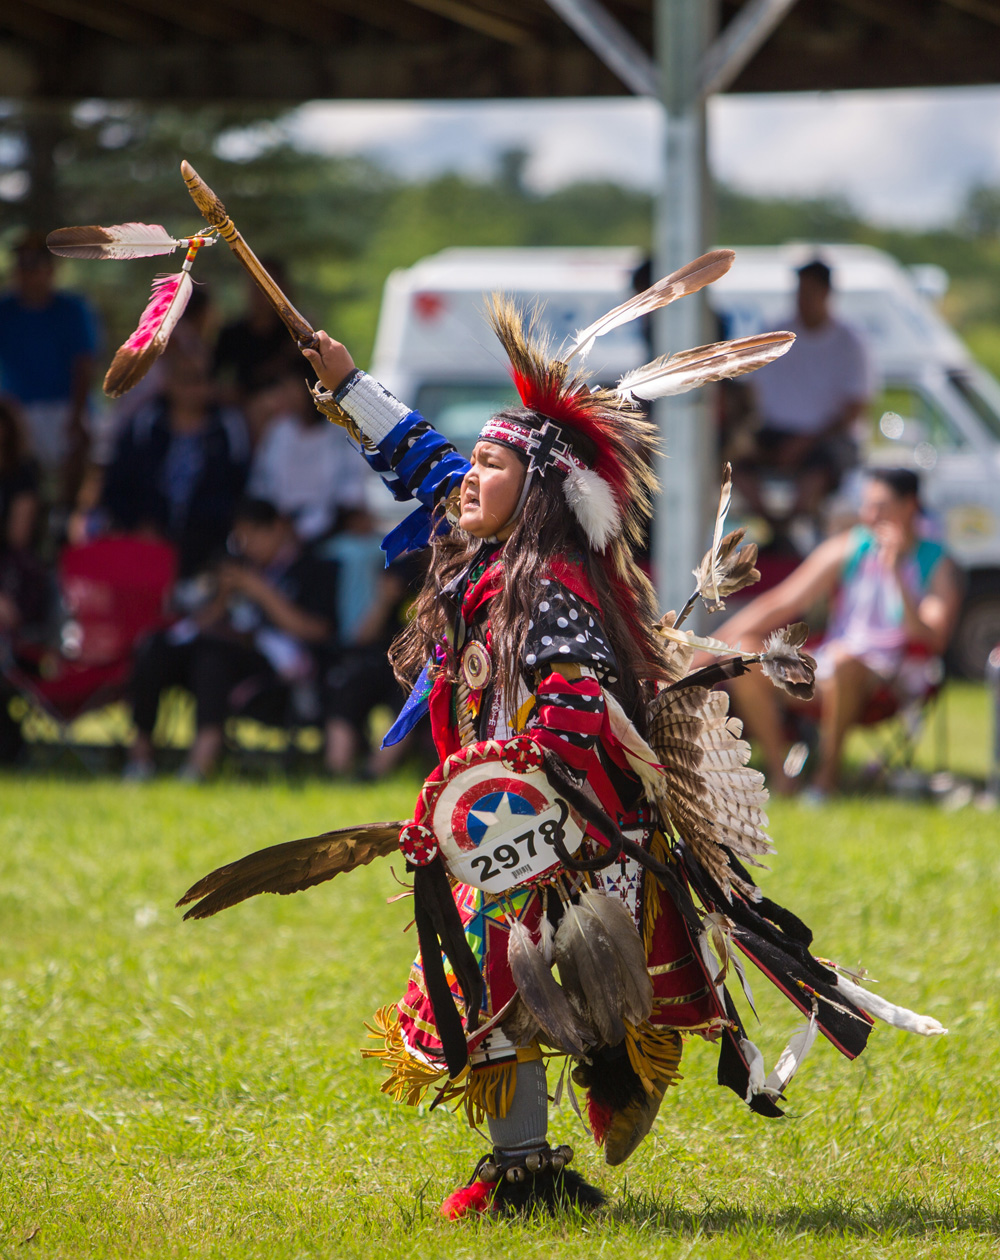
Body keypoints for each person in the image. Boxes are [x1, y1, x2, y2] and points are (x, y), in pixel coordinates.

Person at [180, 273, 944, 1220]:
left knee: (508, 986)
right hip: (516, 821)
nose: (468, 478)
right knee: (510, 989)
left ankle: (547, 1150)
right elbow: (428, 465)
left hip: (561, 833)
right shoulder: (489, 551)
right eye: (474, 465)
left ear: (539, 493)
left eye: (492, 467)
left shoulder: (549, 592)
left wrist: (490, 787)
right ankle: (553, 1138)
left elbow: (577, 716)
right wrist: (347, 382)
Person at [715, 467, 962, 798]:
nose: (870, 516)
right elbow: (784, 601)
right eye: (867, 505)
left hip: (894, 674)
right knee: (742, 654)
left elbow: (934, 636)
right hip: (833, 662)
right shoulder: (852, 546)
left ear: (909, 506)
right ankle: (781, 775)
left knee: (846, 662)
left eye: (880, 506)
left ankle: (825, 780)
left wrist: (897, 573)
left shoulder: (936, 561)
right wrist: (710, 645)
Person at [124, 497, 338, 782]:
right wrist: (223, 597)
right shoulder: (236, 565)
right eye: (241, 537)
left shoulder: (314, 566)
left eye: (253, 535)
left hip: (277, 668)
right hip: (215, 650)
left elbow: (316, 630)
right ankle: (140, 757)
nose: (246, 545)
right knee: (155, 647)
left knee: (213, 657)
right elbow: (201, 622)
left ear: (277, 529)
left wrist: (259, 590)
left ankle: (201, 762)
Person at [99, 329, 249, 577]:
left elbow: (238, 489)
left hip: (208, 548)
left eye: (202, 379)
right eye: (186, 379)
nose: (194, 388)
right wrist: (136, 523)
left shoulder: (229, 427)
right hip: (144, 543)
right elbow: (116, 484)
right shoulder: (145, 423)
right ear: (168, 382)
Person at [736, 259, 874, 524]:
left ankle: (796, 524)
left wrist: (804, 443)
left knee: (818, 472)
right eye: (800, 292)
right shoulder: (774, 334)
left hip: (827, 439)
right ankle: (772, 526)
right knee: (735, 463)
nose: (802, 299)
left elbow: (853, 410)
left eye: (809, 292)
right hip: (774, 433)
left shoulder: (850, 343)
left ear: (826, 294)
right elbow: (749, 390)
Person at [0, 232, 100, 507]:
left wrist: (77, 415)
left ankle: (66, 518)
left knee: (80, 454)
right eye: (23, 266)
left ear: (50, 270)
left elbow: (84, 364)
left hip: (65, 404)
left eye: (35, 266)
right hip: (15, 408)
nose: (29, 274)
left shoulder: (72, 309)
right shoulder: (5, 310)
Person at [247, 373, 367, 543]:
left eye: (291, 389)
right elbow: (261, 481)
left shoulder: (339, 432)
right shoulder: (278, 431)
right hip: (279, 531)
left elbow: (352, 488)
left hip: (331, 531)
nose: (286, 396)